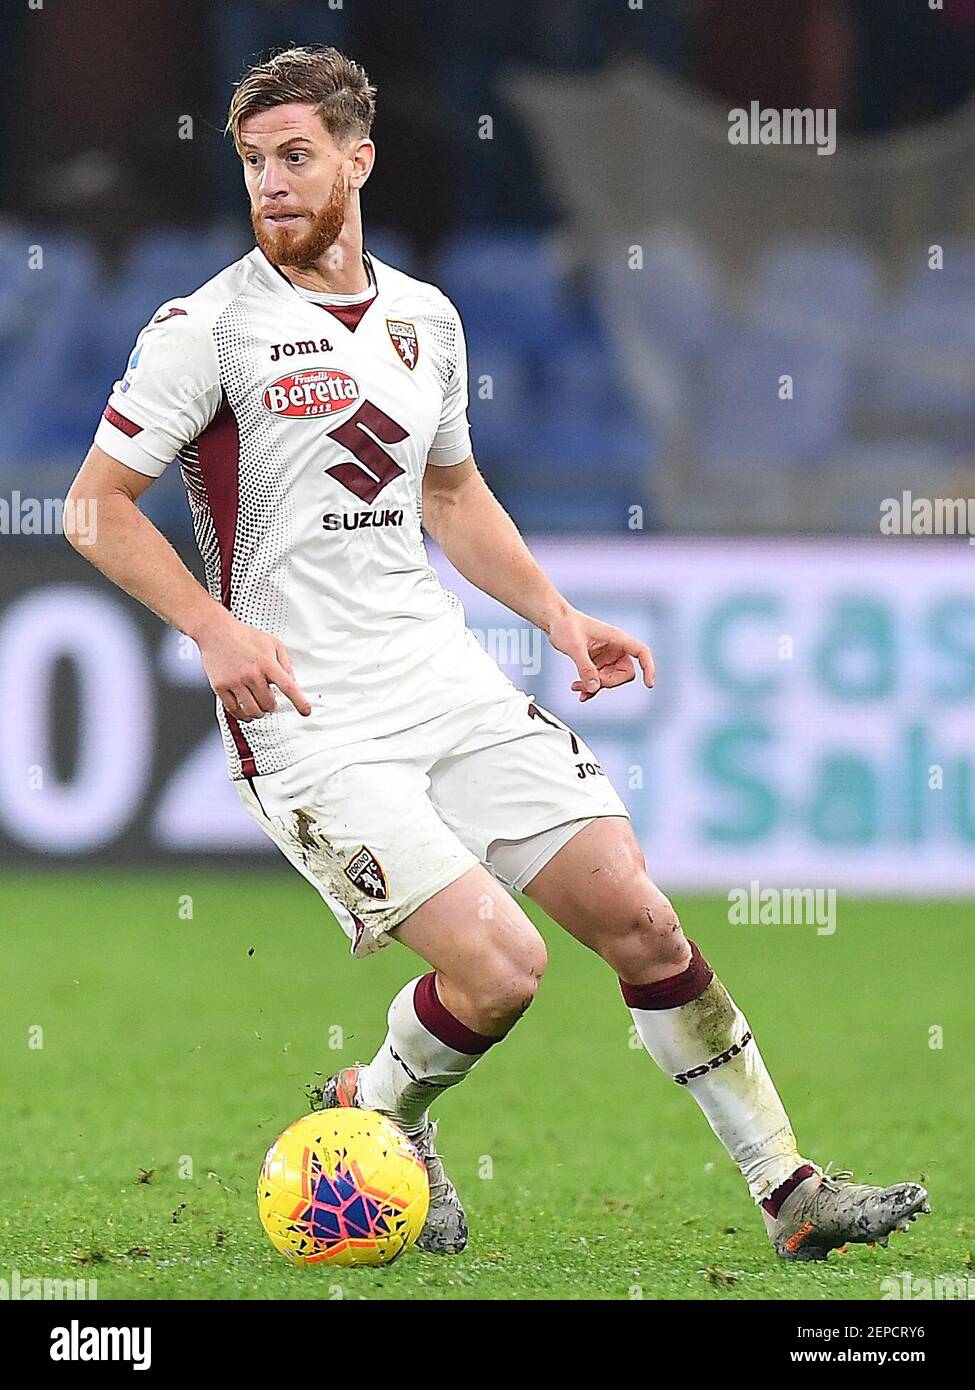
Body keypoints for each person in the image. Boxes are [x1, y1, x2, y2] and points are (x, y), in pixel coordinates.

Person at [66, 45, 929, 1261]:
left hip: (446, 680)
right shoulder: (204, 329)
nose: (271, 182)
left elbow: (457, 498)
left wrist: (560, 618)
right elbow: (95, 508)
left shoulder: (426, 318)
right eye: (254, 161)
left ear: (358, 161)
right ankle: (383, 1110)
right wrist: (213, 629)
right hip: (311, 716)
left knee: (644, 924)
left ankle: (790, 1192)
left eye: (297, 156)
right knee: (501, 969)